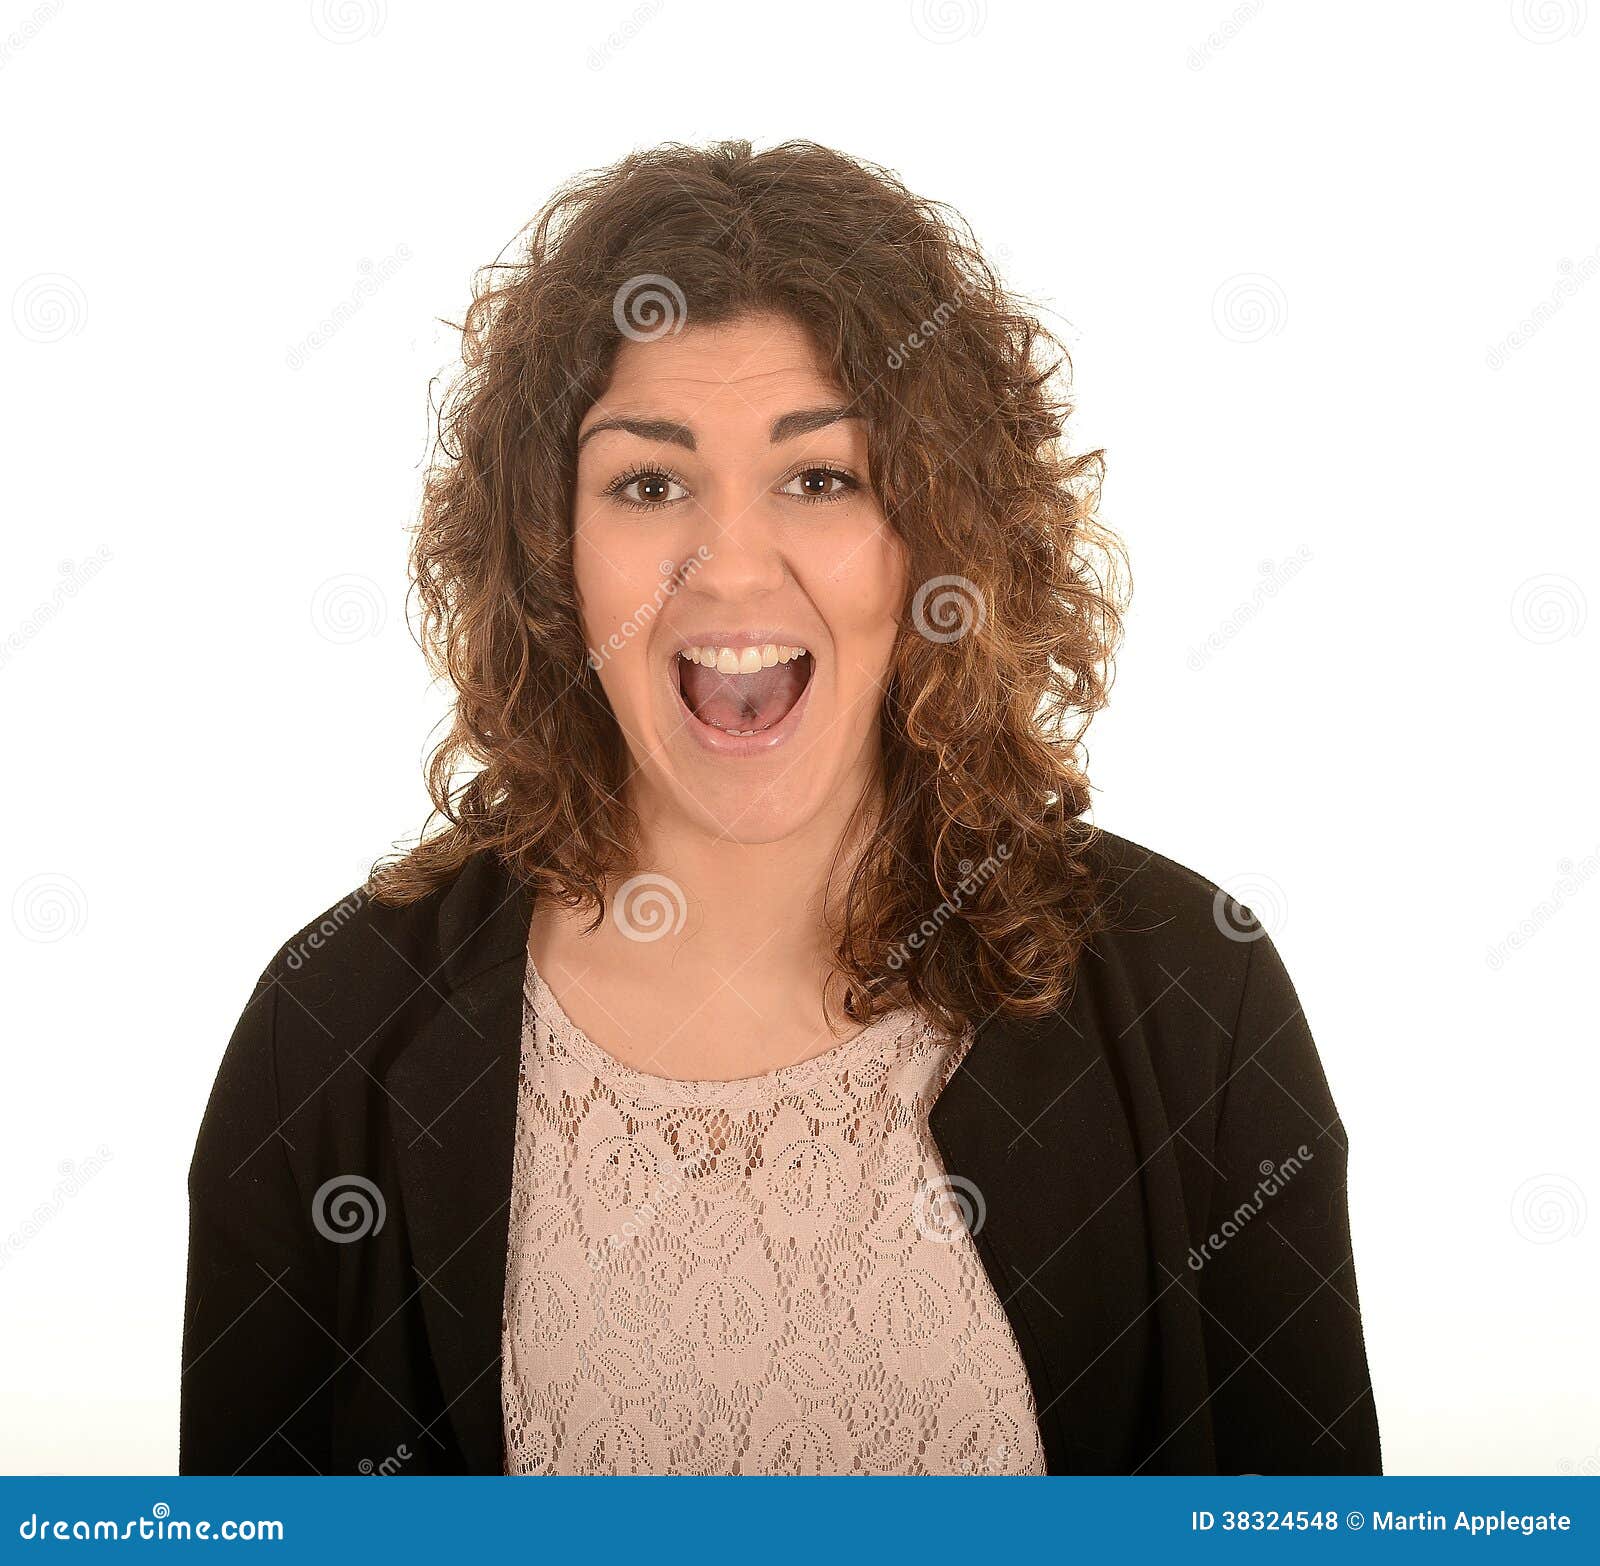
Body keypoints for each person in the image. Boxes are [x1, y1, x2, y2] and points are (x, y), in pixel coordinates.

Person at [180, 138, 1380, 1476]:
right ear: (548, 553)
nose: (731, 567)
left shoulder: (1194, 996)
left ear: (939, 536)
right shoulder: (328, 1036)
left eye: (821, 478)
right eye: (649, 484)